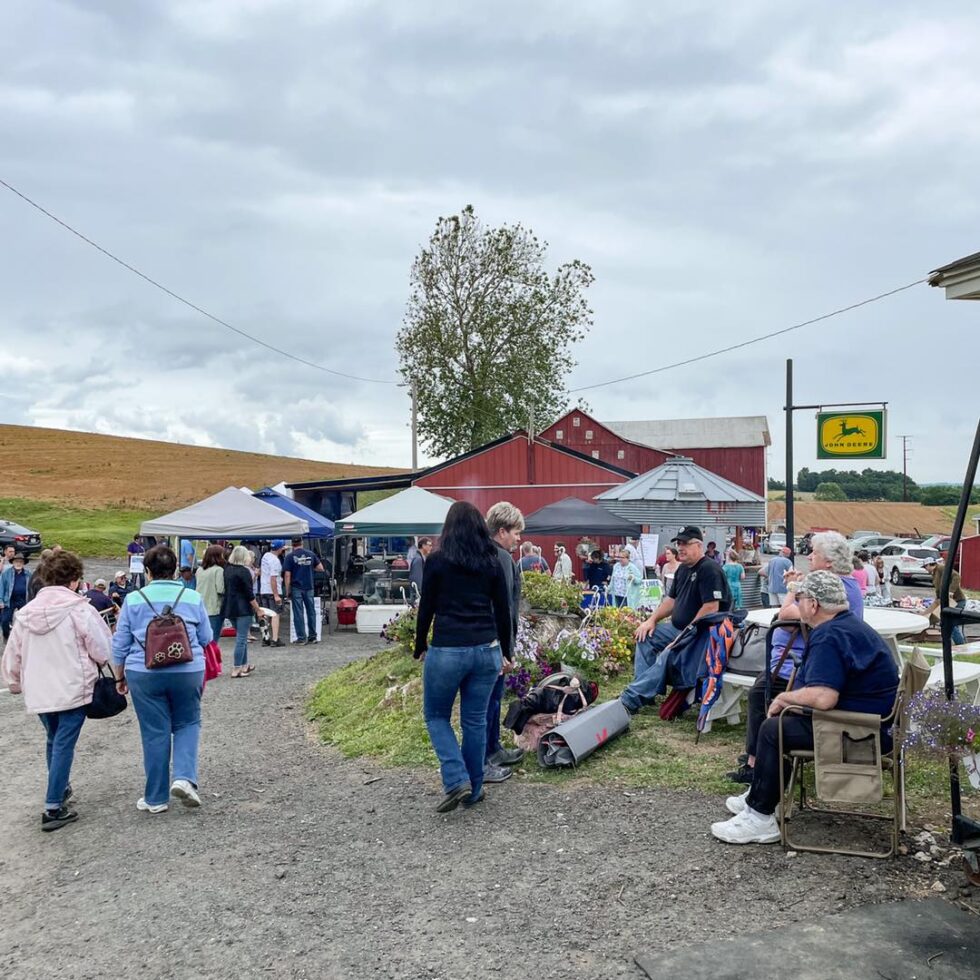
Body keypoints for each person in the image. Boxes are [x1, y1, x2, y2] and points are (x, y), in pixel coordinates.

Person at [711, 570, 899, 844]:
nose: (797, 605)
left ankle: (759, 816)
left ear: (814, 605)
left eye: (799, 598)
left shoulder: (829, 636)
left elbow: (824, 698)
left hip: (860, 733)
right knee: (781, 724)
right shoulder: (849, 626)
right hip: (873, 723)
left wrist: (786, 699)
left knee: (773, 729)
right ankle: (764, 798)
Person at [726, 530, 865, 784]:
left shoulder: (830, 588)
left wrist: (792, 588)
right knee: (760, 692)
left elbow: (786, 617)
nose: (809, 557)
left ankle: (757, 764)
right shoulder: (845, 584)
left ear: (829, 563)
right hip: (806, 668)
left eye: (815, 553)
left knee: (761, 696)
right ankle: (756, 756)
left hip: (802, 671)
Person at [1, 551, 112, 830]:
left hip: (39, 689)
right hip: (73, 686)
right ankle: (52, 806)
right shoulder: (80, 610)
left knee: (53, 739)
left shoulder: (24, 615)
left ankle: (59, 789)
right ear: (74, 581)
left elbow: (12, 653)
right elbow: (102, 648)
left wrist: (14, 681)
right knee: (63, 743)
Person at [414, 501, 513, 812]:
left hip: (448, 648)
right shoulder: (491, 561)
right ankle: (475, 788)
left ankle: (456, 778)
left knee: (436, 716)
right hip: (486, 651)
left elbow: (426, 606)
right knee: (474, 722)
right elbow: (503, 610)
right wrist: (506, 652)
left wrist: (419, 643)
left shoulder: (438, 560)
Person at [111, 545, 211, 813]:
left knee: (154, 732)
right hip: (188, 670)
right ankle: (184, 778)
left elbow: (119, 644)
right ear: (176, 569)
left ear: (147, 571)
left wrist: (119, 677)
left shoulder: (133, 600)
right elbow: (206, 638)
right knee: (188, 722)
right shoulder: (191, 597)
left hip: (143, 672)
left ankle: (155, 798)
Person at [618, 526, 732, 714]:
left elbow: (711, 607)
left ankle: (631, 698)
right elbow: (671, 601)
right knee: (644, 636)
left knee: (667, 654)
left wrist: (685, 633)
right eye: (678, 543)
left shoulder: (709, 569)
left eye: (685, 543)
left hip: (703, 633)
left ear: (699, 545)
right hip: (678, 628)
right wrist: (651, 620)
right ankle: (644, 693)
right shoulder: (682, 570)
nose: (680, 547)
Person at [483, 502, 526, 782]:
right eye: (516, 532)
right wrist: (504, 649)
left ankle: (494, 749)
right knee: (487, 704)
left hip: (489, 641)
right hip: (492, 643)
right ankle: (487, 756)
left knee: (492, 701)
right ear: (502, 531)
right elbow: (502, 608)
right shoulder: (500, 558)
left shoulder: (489, 554)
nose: (519, 538)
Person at [223, 546, 269, 675]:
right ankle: (237, 667)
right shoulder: (244, 571)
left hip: (230, 607)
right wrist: (258, 609)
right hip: (243, 608)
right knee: (242, 638)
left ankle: (244, 665)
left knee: (240, 636)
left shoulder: (227, 570)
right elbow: (249, 594)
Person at [284, 537, 325, 644]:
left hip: (296, 586)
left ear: (292, 544)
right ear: (302, 543)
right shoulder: (310, 554)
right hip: (309, 586)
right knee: (311, 612)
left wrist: (287, 590)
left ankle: (301, 638)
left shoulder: (289, 557)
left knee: (298, 612)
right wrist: (310, 568)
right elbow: (321, 568)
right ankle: (313, 636)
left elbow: (287, 575)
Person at [923, 557, 967, 646]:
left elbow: (956, 576)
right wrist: (937, 600)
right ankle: (949, 644)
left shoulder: (941, 568)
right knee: (947, 623)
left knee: (950, 623)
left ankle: (961, 645)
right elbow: (939, 589)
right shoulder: (934, 573)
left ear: (929, 564)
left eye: (925, 567)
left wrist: (951, 591)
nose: (925, 569)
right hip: (947, 602)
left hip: (957, 601)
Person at [195, 545, 227, 639]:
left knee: (203, 637)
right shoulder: (218, 570)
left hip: (200, 606)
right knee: (214, 638)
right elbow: (220, 589)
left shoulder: (199, 570)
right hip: (214, 608)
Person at [0, 552, 32, 641]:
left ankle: (22, 639)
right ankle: (6, 637)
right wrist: (1, 600)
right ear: (13, 563)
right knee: (5, 621)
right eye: (16, 561)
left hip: (23, 599)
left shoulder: (28, 573)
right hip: (10, 599)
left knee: (25, 621)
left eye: (20, 562)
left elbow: (31, 587)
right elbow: (1, 587)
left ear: (23, 563)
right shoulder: (6, 573)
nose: (18, 563)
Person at [259, 540, 285, 619]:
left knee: (265, 614)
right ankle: (275, 632)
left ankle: (265, 631)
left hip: (264, 590)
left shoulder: (266, 555)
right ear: (280, 549)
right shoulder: (275, 561)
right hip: (272, 592)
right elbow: (273, 578)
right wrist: (276, 595)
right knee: (275, 615)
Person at [408, 537, 433, 601]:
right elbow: (417, 578)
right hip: (418, 596)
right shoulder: (418, 559)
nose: (431, 547)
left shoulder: (419, 558)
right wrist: (420, 593)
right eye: (429, 545)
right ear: (423, 546)